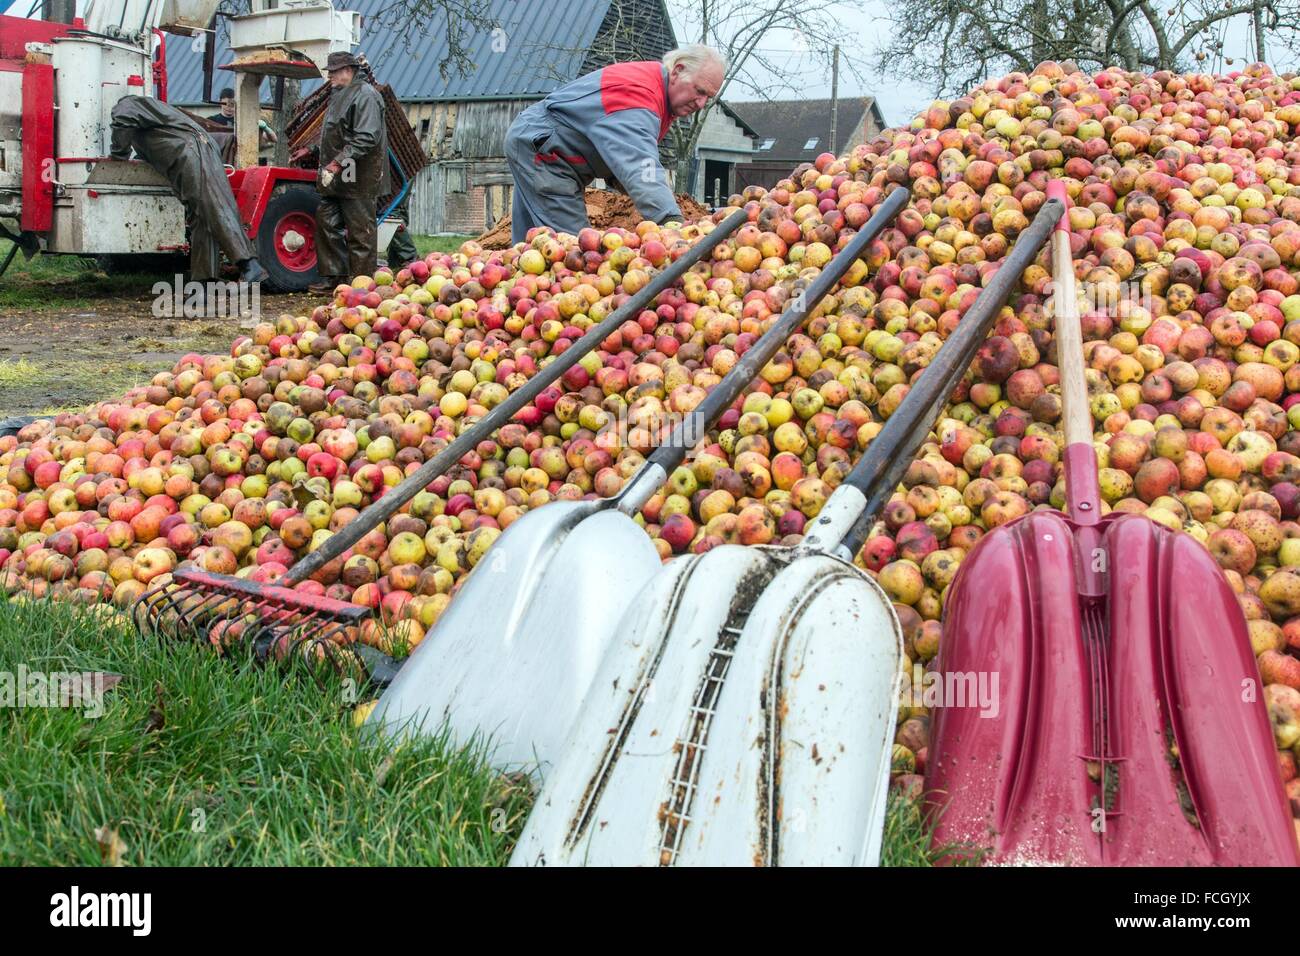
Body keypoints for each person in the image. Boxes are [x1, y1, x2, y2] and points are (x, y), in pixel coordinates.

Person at [503, 45, 725, 245]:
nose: (701, 103)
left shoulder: (657, 99)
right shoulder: (639, 93)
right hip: (546, 151)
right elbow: (640, 165)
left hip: (536, 141)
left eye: (709, 98)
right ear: (677, 71)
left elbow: (621, 162)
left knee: (528, 245)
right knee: (572, 249)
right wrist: (672, 221)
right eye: (700, 91)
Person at [109, 95, 268, 293]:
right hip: (198, 150)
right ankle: (202, 285)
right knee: (202, 218)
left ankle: (248, 264)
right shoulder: (157, 123)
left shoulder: (128, 103)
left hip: (192, 152)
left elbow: (124, 117)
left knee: (214, 207)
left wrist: (118, 154)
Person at [310, 51, 389, 293]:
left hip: (358, 174)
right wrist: (313, 150)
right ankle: (334, 278)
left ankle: (361, 285)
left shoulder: (365, 95)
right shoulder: (340, 94)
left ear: (348, 70)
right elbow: (338, 132)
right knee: (326, 221)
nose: (330, 76)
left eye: (333, 71)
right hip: (340, 175)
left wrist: (336, 164)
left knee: (360, 232)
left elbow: (366, 138)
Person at [209, 86, 279, 151]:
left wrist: (265, 128)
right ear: (220, 102)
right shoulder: (211, 122)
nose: (229, 107)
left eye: (232, 104)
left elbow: (274, 139)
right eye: (225, 104)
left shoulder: (243, 122)